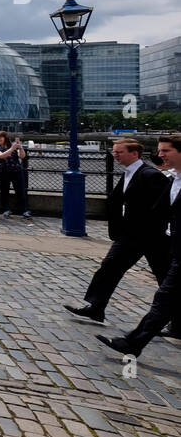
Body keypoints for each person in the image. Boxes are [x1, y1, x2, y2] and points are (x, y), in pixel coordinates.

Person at [65, 138, 171, 324]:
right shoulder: (131, 172)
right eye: (114, 152)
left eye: (119, 152)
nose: (115, 155)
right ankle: (96, 307)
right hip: (130, 235)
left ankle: (176, 321)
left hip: (149, 236)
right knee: (109, 268)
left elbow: (161, 208)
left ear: (134, 154)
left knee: (165, 276)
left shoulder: (150, 175)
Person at [97, 135, 181, 357]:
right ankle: (134, 342)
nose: (160, 155)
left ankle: (133, 342)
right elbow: (161, 213)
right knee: (165, 299)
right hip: (170, 246)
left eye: (166, 151)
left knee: (164, 298)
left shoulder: (160, 177)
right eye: (160, 150)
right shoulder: (173, 179)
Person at [0, 131, 31, 219]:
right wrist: (12, 148)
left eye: (0, 137)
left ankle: (24, 210)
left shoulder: (12, 146)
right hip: (3, 172)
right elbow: (1, 156)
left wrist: (20, 148)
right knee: (4, 191)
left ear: (5, 138)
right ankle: (6, 210)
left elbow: (22, 156)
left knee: (20, 191)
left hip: (16, 171)